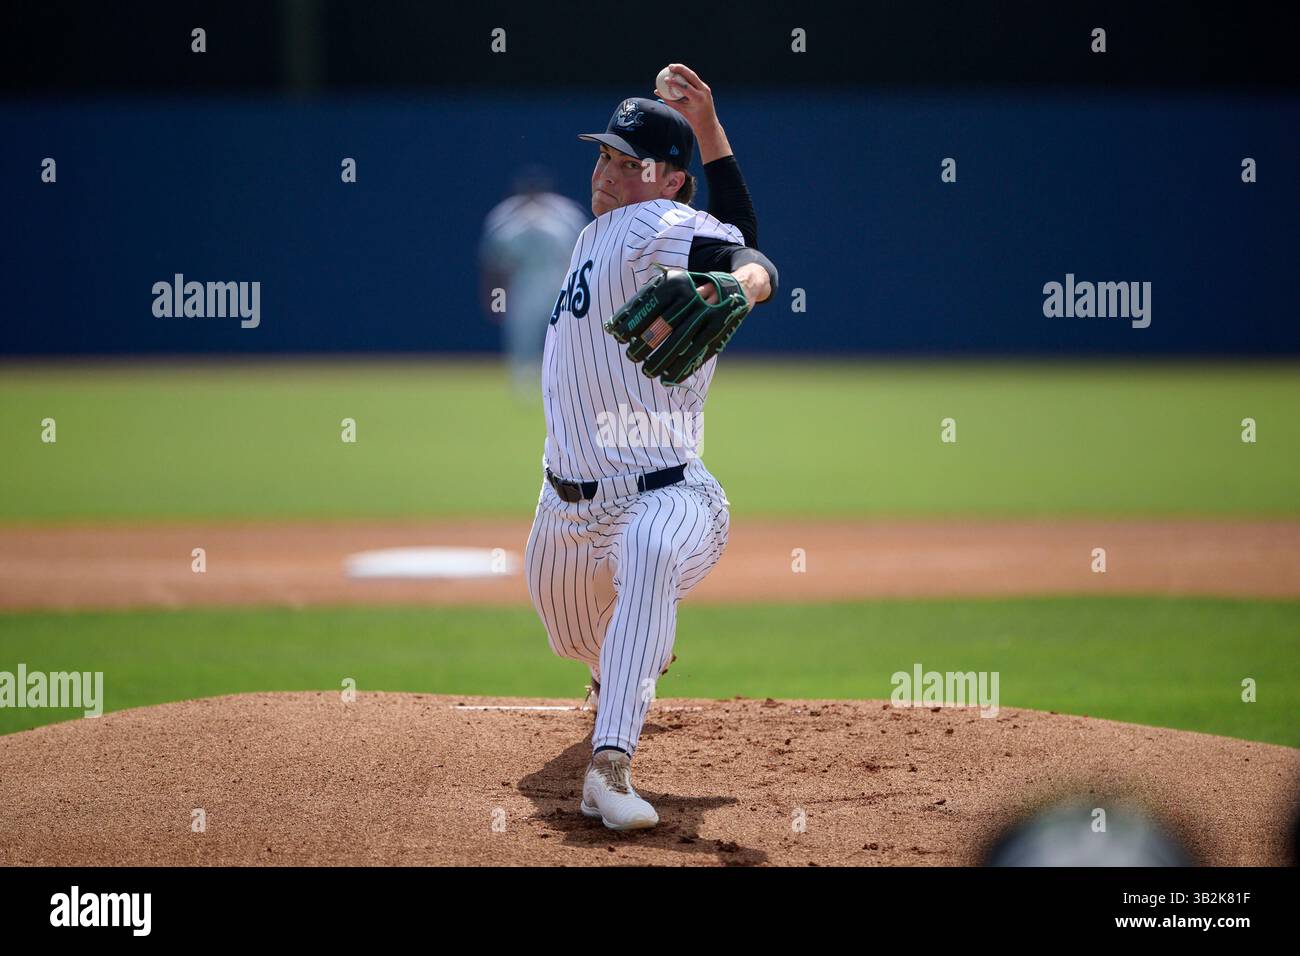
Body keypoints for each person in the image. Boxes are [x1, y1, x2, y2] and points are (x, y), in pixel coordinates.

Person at [523, 65, 780, 830]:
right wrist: (707, 134)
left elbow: (748, 258)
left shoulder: (649, 228)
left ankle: (610, 767)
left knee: (651, 552)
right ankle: (623, 666)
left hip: (670, 494)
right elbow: (737, 238)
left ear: (670, 184)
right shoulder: (595, 236)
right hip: (561, 519)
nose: (606, 171)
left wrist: (748, 284)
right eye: (604, 156)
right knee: (573, 638)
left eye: (627, 163)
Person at [479, 169, 589, 397]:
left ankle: (559, 381)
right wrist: (496, 299)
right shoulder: (507, 217)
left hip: (554, 281)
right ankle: (525, 384)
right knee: (524, 335)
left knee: (561, 334)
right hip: (527, 282)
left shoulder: (563, 214)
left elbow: (582, 256)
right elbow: (495, 265)